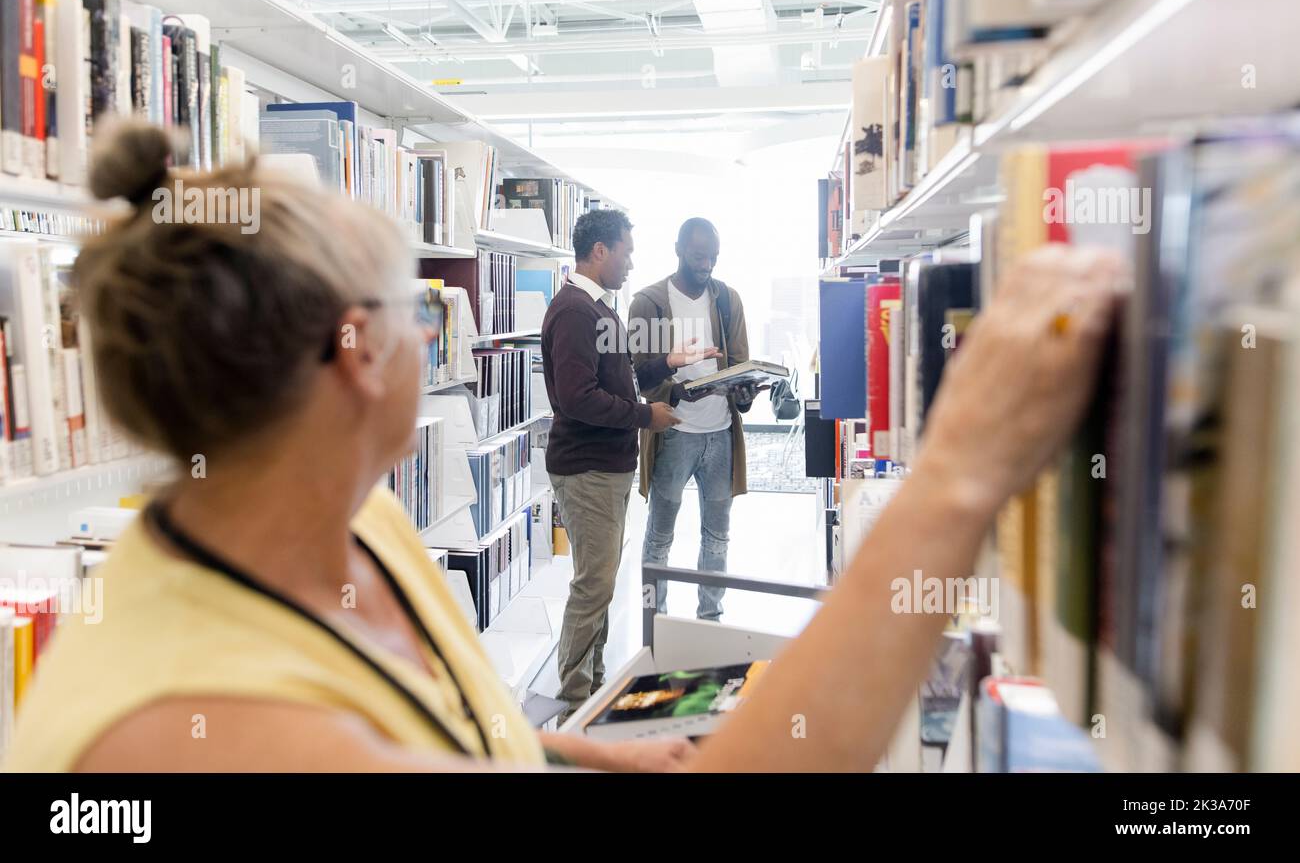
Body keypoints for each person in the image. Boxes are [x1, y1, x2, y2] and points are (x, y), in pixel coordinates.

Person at [6, 121, 1124, 772]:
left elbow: (452, 735)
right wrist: (967, 464)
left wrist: (590, 750)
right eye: (416, 307)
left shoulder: (360, 525)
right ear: (356, 351)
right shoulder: (206, 734)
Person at [540, 209, 720, 715]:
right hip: (588, 468)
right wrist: (647, 417)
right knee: (593, 585)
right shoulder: (577, 311)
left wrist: (666, 364)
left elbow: (617, 377)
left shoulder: (596, 307)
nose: (631, 262)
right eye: (626, 251)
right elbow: (579, 398)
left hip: (604, 467)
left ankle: (592, 688)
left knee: (600, 583)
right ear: (600, 251)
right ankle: (575, 702)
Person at [629, 217, 757, 620]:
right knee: (659, 537)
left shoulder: (727, 299)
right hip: (674, 434)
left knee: (717, 537)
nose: (707, 265)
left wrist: (745, 391)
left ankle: (710, 621)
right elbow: (637, 374)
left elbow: (741, 364)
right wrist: (676, 391)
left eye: (713, 257)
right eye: (700, 256)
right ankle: (655, 621)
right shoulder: (647, 302)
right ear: (679, 249)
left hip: (720, 434)